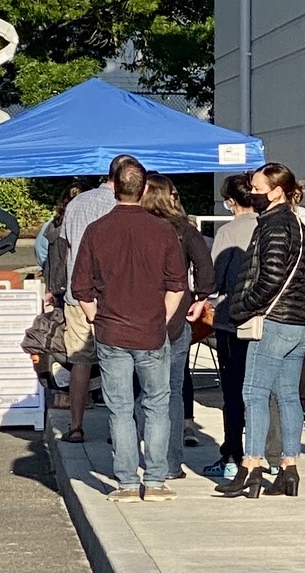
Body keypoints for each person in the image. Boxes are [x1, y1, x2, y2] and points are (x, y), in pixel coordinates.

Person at [72, 155, 187, 502]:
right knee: (157, 404)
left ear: (112, 186)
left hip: (112, 331)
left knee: (119, 408)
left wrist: (95, 317)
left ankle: (124, 482)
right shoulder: (164, 230)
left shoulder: (96, 230)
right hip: (151, 330)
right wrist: (162, 318)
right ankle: (154, 480)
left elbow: (81, 288)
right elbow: (177, 285)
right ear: (146, 189)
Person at [218, 162, 305, 499]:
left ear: (276, 191)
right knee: (288, 395)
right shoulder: (299, 225)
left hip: (274, 321)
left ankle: (252, 465)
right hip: (300, 321)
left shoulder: (274, 225)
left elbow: (270, 277)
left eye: (258, 188)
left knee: (254, 393)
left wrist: (243, 307)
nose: (253, 194)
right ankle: (289, 468)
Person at [140, 173, 214, 480]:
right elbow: (206, 270)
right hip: (177, 316)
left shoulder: (137, 227)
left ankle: (143, 454)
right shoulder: (185, 229)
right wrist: (200, 299)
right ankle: (170, 463)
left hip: (137, 315)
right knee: (172, 390)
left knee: (140, 389)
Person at [58, 156, 133, 443]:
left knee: (80, 360)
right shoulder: (121, 206)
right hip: (114, 295)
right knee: (120, 362)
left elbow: (65, 244)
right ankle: (120, 430)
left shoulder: (77, 203)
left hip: (78, 293)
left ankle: (75, 425)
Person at [202, 172, 258, 480]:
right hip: (267, 319)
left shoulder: (227, 232)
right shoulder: (270, 226)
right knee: (265, 392)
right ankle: (269, 455)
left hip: (231, 319)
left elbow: (212, 278)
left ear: (231, 201)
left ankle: (233, 454)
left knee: (233, 391)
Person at [34, 179, 93, 304]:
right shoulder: (82, 225)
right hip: (71, 291)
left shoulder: (53, 224)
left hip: (54, 287)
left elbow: (40, 250)